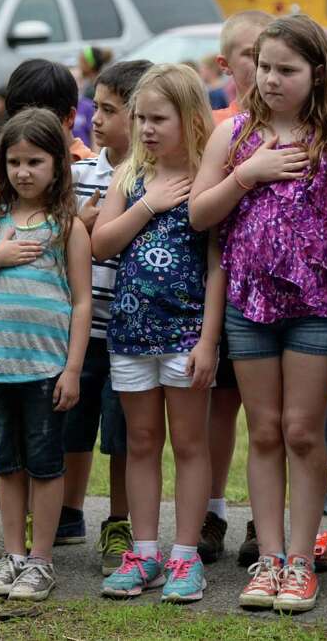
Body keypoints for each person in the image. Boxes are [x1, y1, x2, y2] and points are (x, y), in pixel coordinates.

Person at [191, 14, 327, 614]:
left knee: (302, 430)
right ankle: (267, 559)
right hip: (249, 306)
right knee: (262, 431)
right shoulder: (234, 135)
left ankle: (300, 559)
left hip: (317, 306)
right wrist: (248, 174)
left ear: (317, 73)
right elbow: (200, 214)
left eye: (286, 70)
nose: (270, 79)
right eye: (264, 67)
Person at [91, 65, 223, 603]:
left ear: (190, 119)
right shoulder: (130, 177)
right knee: (141, 442)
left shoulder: (208, 178)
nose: (146, 129)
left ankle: (186, 556)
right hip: (130, 334)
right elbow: (101, 243)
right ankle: (144, 552)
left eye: (158, 119)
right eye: (140, 118)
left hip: (185, 335)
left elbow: (218, 265)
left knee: (189, 444)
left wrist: (208, 340)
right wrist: (149, 204)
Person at [0, 107, 91, 602]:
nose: (23, 172)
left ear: (57, 164)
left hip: (46, 369)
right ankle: (13, 555)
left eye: (35, 161)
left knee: (45, 466)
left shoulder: (68, 227)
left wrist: (72, 369)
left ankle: (40, 561)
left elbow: (82, 302)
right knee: (8, 465)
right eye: (14, 162)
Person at [65, 59, 150, 575]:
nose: (95, 118)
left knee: (123, 437)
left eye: (110, 110)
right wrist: (78, 223)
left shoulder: (152, 183)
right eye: (95, 106)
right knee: (69, 426)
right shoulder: (77, 177)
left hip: (129, 335)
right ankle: (64, 512)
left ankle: (119, 522)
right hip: (81, 331)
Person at [205, 10, 272, 565]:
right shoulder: (217, 127)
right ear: (227, 64)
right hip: (218, 290)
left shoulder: (298, 128)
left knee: (269, 419)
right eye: (253, 55)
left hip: (271, 297)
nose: (264, 67)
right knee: (219, 407)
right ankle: (211, 511)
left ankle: (264, 522)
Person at [5, 59, 94, 163]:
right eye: (19, 122)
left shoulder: (96, 170)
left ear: (70, 117)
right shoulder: (5, 167)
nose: (28, 133)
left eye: (42, 125)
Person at [213, 11, 272, 127]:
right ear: (225, 64)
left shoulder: (301, 125)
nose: (262, 61)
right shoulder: (211, 125)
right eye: (251, 54)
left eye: (270, 53)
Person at [74, 46, 111, 147]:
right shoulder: (90, 85)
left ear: (89, 64)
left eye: (81, 61)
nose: (78, 64)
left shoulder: (93, 89)